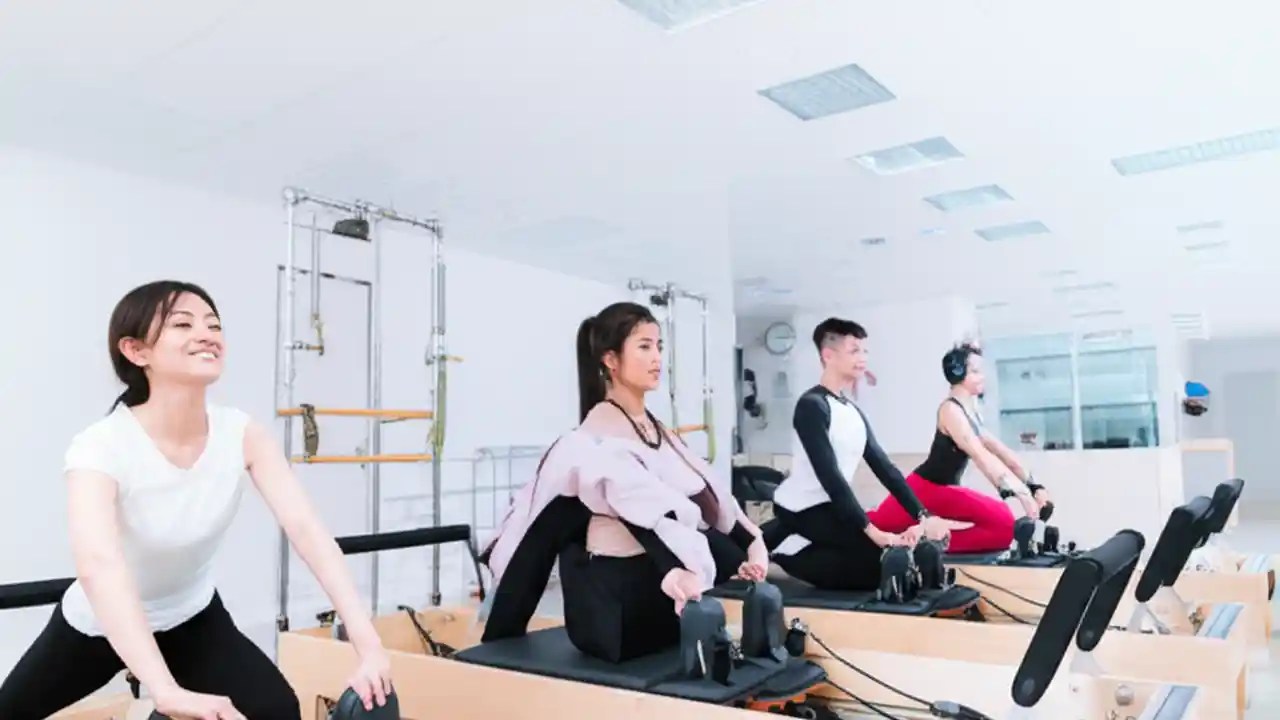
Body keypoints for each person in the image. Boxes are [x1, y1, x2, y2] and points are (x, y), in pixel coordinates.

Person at [0, 281, 394, 720]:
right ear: (136, 351)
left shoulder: (240, 434)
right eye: (183, 323)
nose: (207, 333)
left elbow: (310, 535)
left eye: (213, 324)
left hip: (190, 615)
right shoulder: (101, 446)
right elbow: (99, 566)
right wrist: (163, 689)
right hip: (100, 623)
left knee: (276, 709)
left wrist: (370, 648)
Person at [478, 301, 770, 663]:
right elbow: (639, 507)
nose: (657, 358)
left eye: (659, 346)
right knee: (639, 511)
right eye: (644, 346)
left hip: (656, 603)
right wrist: (676, 568)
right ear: (610, 360)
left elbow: (704, 492)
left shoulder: (655, 429)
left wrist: (749, 543)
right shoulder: (591, 438)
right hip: (611, 617)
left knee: (702, 537)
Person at [768, 318, 951, 590]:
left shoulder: (852, 412)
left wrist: (923, 515)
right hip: (801, 508)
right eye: (854, 351)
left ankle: (792, 540)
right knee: (872, 567)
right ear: (828, 355)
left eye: (864, 351)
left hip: (831, 505)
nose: (863, 358)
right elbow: (830, 476)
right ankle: (786, 549)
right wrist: (873, 532)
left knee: (885, 559)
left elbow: (885, 468)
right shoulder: (811, 406)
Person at [866, 342, 1052, 554]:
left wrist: (1034, 485)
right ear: (957, 372)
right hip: (924, 489)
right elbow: (980, 455)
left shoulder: (971, 412)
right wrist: (1021, 494)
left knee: (1001, 525)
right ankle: (918, 541)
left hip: (943, 491)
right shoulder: (950, 411)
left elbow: (1000, 451)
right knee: (874, 527)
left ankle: (923, 543)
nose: (982, 377)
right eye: (975, 371)